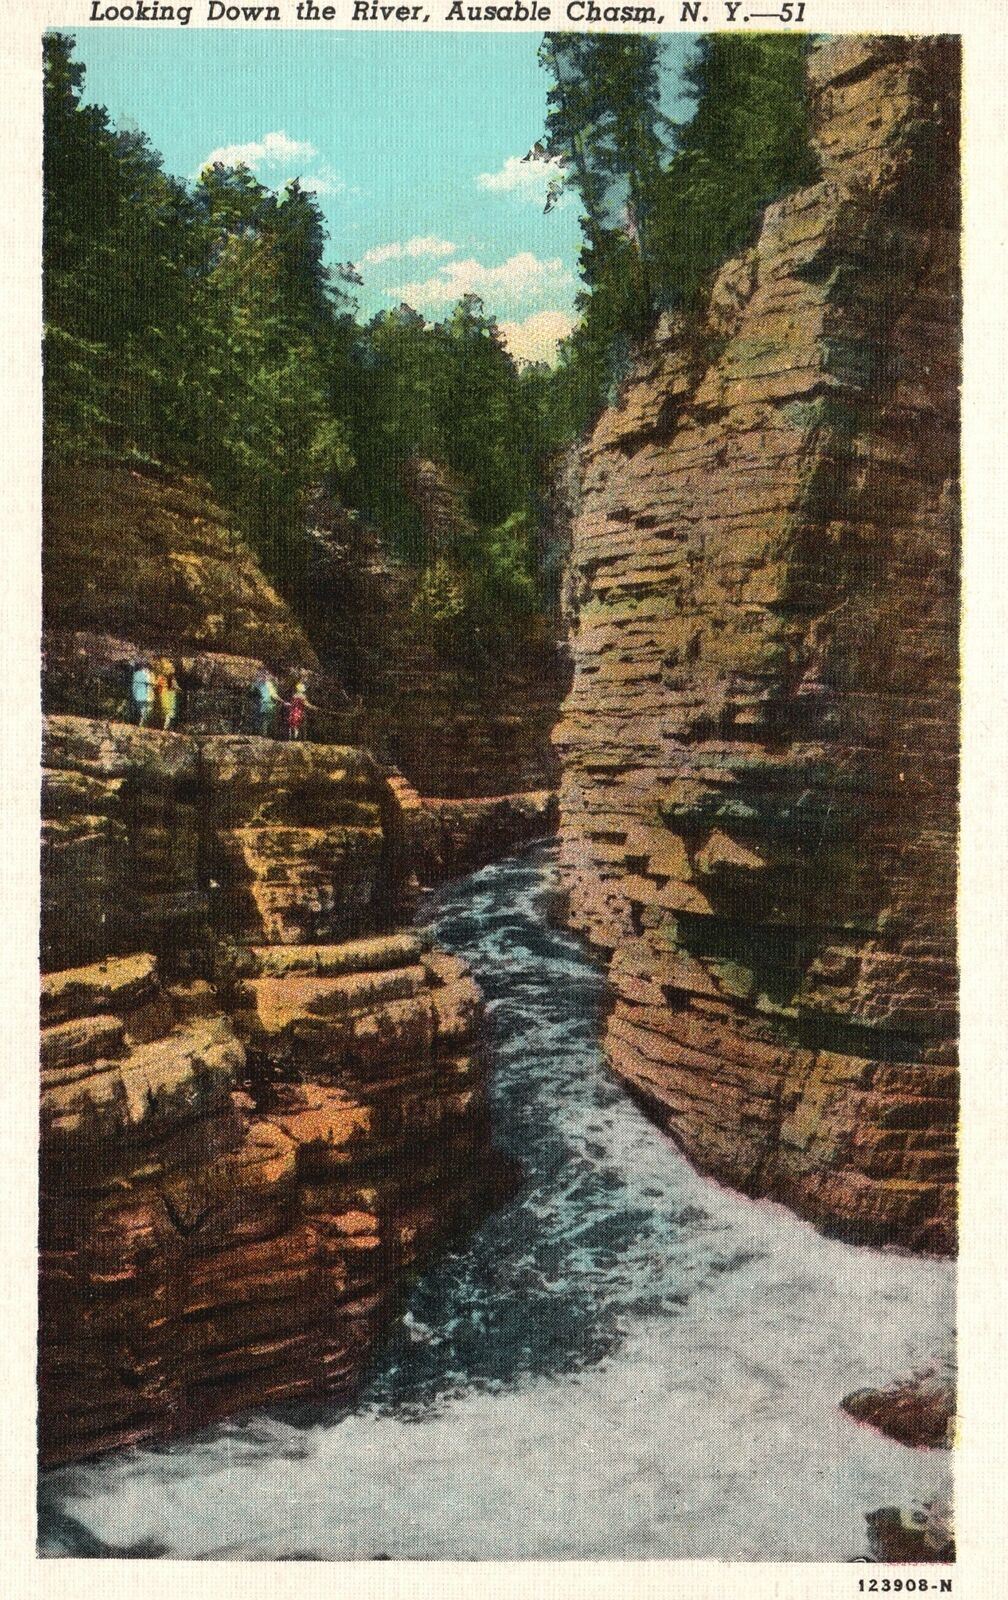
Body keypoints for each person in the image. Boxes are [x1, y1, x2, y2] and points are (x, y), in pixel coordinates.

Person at [254, 670, 282, 738]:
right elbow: (274, 695)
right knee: (267, 720)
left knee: (264, 720)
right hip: (267, 705)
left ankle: (263, 735)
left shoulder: (261, 684)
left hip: (263, 704)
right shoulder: (267, 684)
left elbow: (254, 688)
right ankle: (265, 736)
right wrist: (282, 701)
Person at [155, 659, 179, 731]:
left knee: (167, 712)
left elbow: (156, 685)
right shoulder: (163, 677)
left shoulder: (165, 677)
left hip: (167, 694)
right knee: (168, 712)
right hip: (167, 694)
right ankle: (166, 727)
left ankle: (166, 727)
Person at [131, 660, 155, 727]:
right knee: (143, 710)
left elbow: (153, 684)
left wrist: (134, 693)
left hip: (147, 695)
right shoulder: (138, 674)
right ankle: (142, 724)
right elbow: (135, 685)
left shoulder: (151, 674)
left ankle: (143, 723)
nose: (146, 668)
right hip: (142, 694)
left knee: (147, 710)